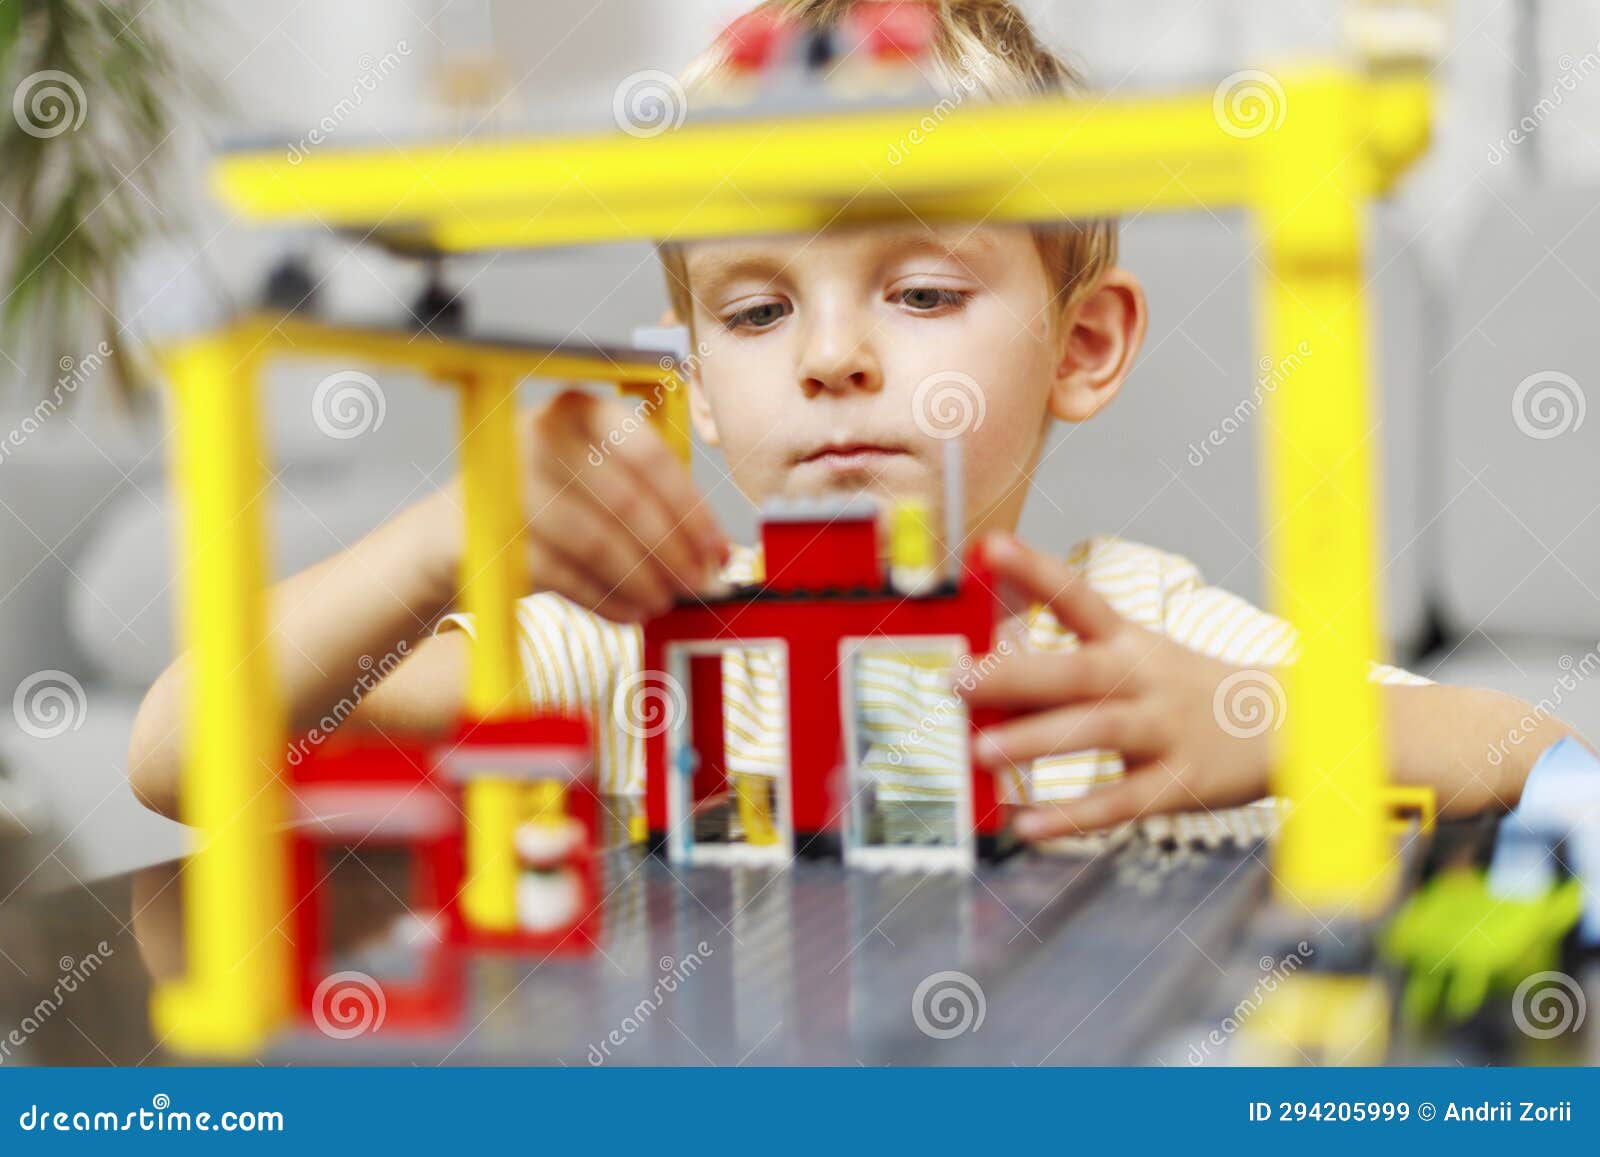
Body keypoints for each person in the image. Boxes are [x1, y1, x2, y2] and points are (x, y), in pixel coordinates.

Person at [129, 0, 1582, 844]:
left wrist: (1263, 720)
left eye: (923, 291)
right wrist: (449, 541)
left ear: (1084, 346)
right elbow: (186, 752)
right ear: (689, 375)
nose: (831, 357)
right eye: (756, 314)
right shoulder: (616, 643)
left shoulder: (1129, 633)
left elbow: (1539, 756)